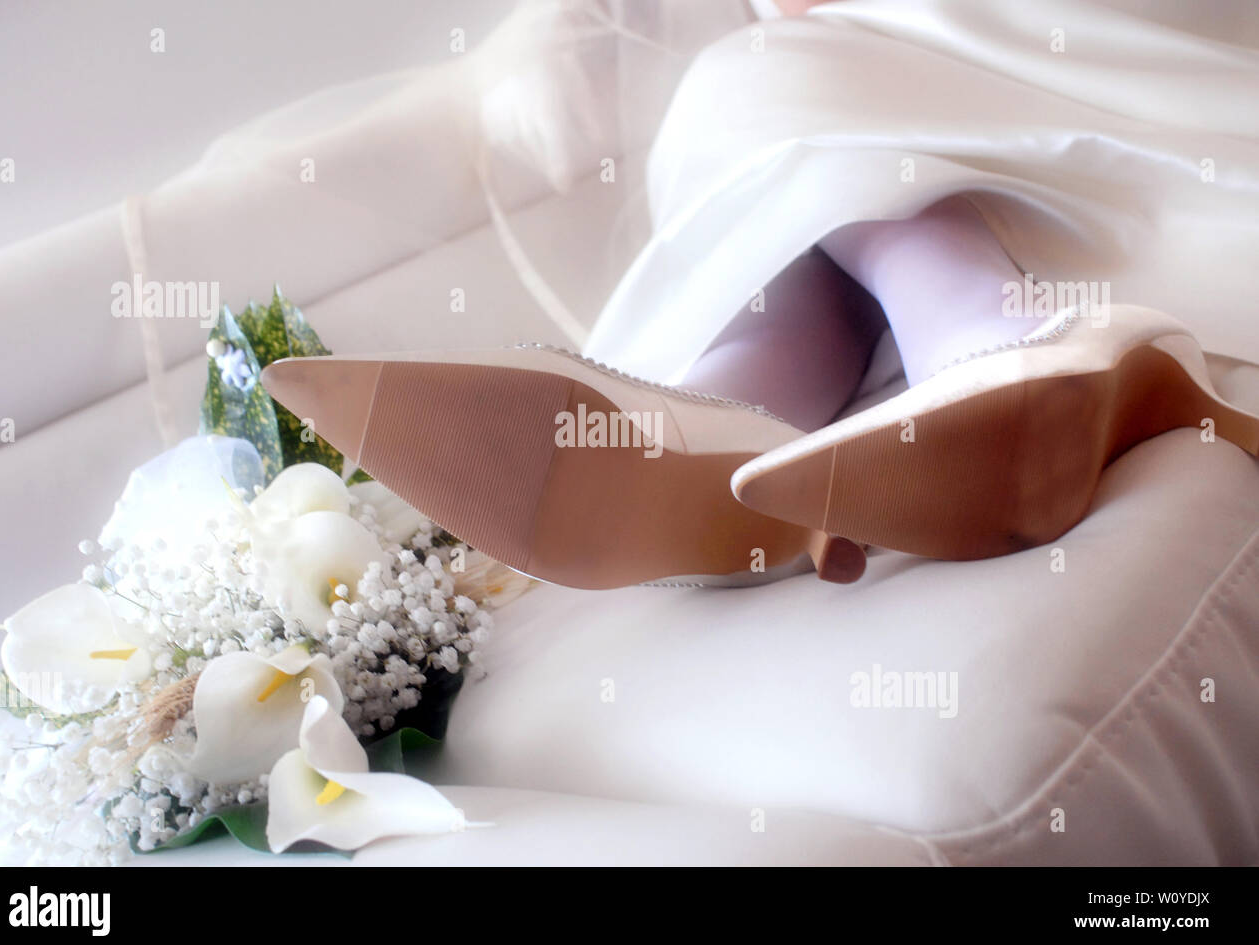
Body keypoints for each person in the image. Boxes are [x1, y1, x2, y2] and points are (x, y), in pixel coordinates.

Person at [262, 0, 1259, 587]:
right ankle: (874, 378)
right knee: (778, 126)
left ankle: (750, 409)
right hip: (874, 108)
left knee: (762, 84)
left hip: (1076, 55)